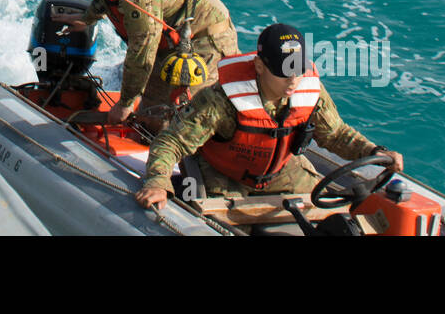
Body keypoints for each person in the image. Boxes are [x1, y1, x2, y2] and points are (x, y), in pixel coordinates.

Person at [134, 23, 404, 210]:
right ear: (260, 66)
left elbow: (335, 134)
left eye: (298, 69)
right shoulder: (221, 101)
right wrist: (158, 182)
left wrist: (374, 151)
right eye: (284, 72)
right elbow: (171, 142)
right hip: (225, 177)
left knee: (335, 210)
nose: (293, 80)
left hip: (281, 173)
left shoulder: (310, 92)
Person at [60, 0, 238, 128]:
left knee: (184, 120)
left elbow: (142, 53)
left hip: (205, 41)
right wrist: (87, 18)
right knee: (150, 114)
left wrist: (124, 104)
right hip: (169, 34)